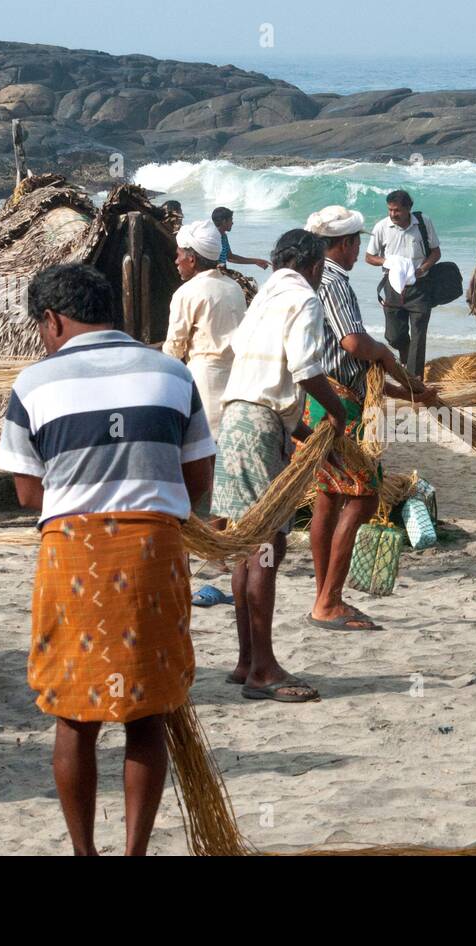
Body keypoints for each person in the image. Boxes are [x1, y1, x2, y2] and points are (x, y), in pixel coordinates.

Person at [0, 263, 216, 855]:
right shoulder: (173, 374)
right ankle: (134, 853)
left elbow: (25, 492)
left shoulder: (34, 383)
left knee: (75, 714)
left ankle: (85, 854)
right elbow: (197, 477)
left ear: (53, 319)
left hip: (71, 553)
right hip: (154, 552)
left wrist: (84, 504)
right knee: (147, 713)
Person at [212, 229, 346, 703]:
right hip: (260, 426)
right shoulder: (304, 300)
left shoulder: (265, 297)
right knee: (266, 545)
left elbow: (261, 380)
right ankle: (263, 671)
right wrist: (338, 414)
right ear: (313, 266)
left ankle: (247, 659)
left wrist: (308, 439)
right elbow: (307, 370)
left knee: (251, 544)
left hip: (237, 422)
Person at [301, 205, 435, 631]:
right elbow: (354, 343)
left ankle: (324, 593)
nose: (358, 251)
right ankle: (329, 601)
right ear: (346, 244)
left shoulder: (308, 280)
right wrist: (383, 351)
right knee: (364, 495)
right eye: (356, 243)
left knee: (328, 496)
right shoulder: (334, 281)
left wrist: (410, 391)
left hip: (320, 396)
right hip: (341, 405)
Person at [164, 220, 247, 454]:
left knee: (204, 455)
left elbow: (174, 351)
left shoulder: (187, 293)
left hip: (204, 383)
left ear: (192, 259)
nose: (176, 261)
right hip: (236, 382)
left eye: (178, 255)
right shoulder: (234, 288)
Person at [365, 189, 441, 377]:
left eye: (397, 210)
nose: (393, 214)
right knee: (394, 336)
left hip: (420, 287)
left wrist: (423, 268)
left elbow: (436, 253)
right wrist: (386, 262)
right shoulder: (381, 227)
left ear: (408, 209)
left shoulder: (424, 223)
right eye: (390, 210)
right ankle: (407, 358)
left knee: (418, 335)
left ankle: (414, 381)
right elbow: (369, 257)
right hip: (392, 288)